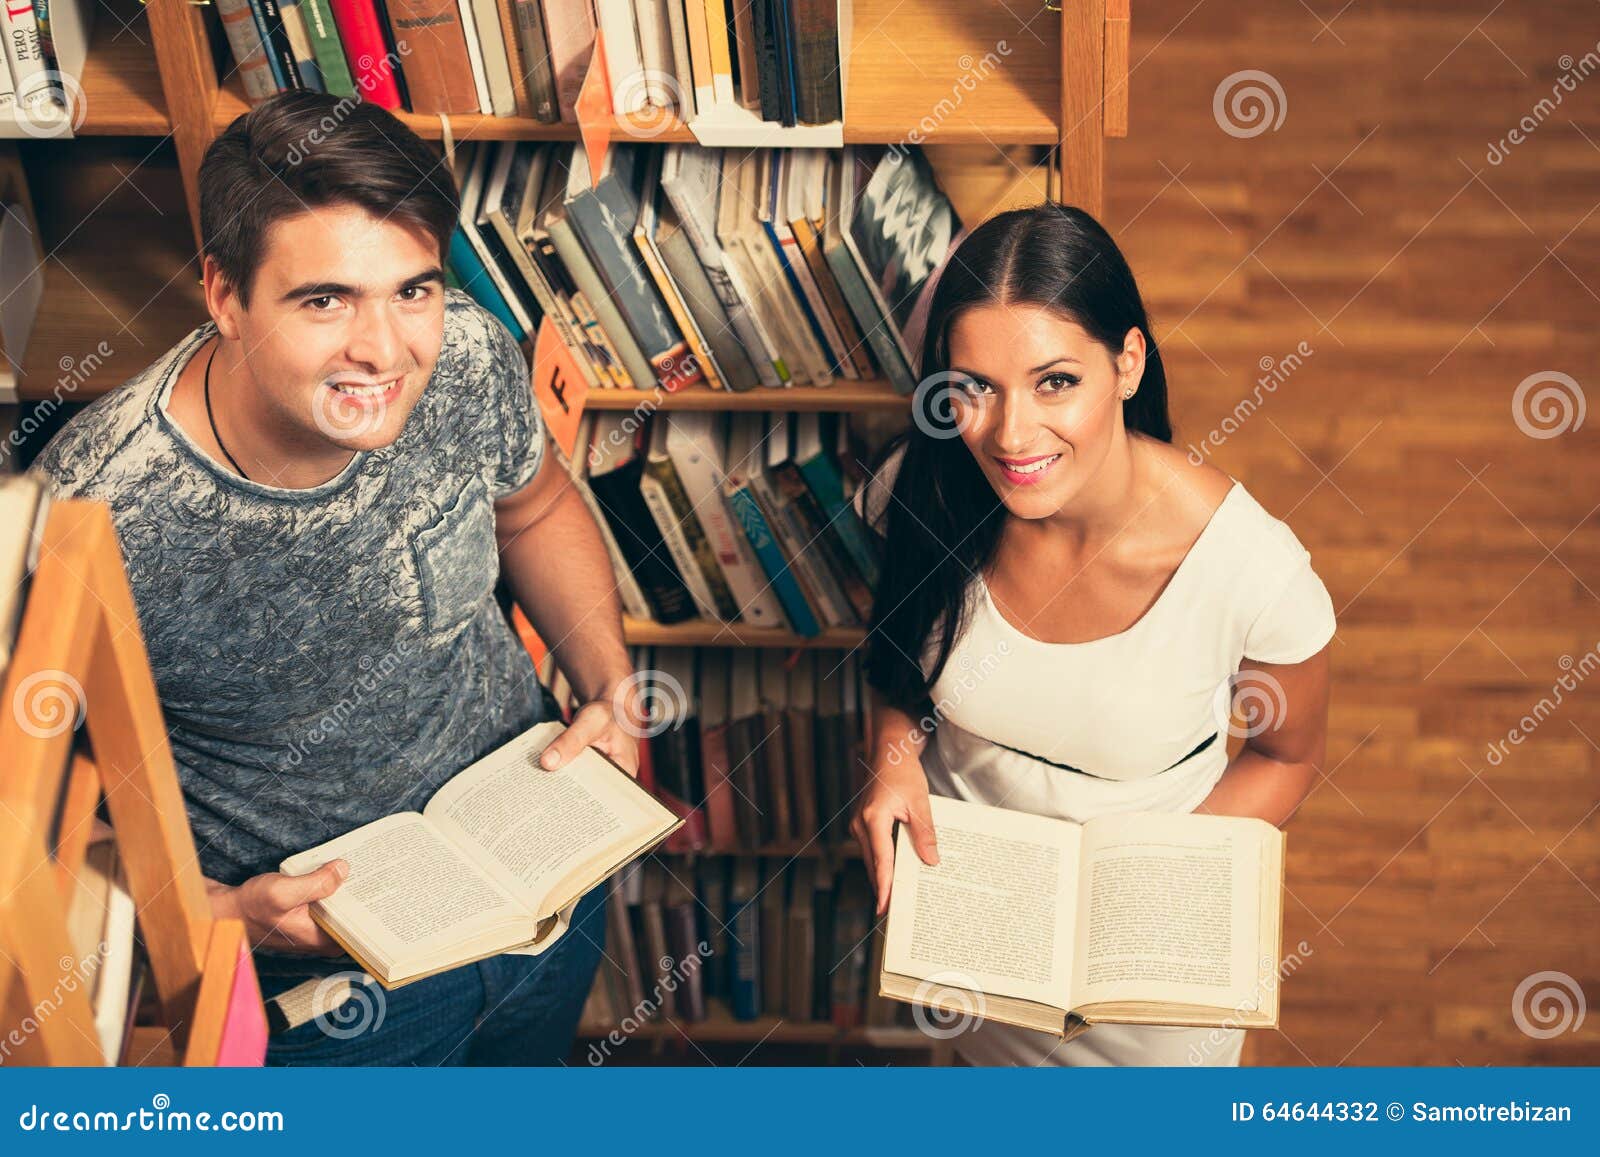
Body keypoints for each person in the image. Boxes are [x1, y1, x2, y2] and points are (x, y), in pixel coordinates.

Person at [34, 91, 642, 1065]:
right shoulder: (96, 508)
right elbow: (25, 810)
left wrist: (610, 687)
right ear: (224, 295)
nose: (386, 349)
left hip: (540, 868)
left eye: (413, 289)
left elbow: (536, 507)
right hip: (326, 976)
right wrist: (218, 909)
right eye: (325, 299)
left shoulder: (467, 354)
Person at [852, 203, 1335, 1067]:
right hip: (981, 963)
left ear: (1128, 362)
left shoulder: (1253, 572)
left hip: (1143, 983)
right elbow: (898, 673)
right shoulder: (922, 492)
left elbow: (1287, 756)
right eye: (975, 390)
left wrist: (1144, 885)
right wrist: (892, 759)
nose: (1010, 435)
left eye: (1055, 382)